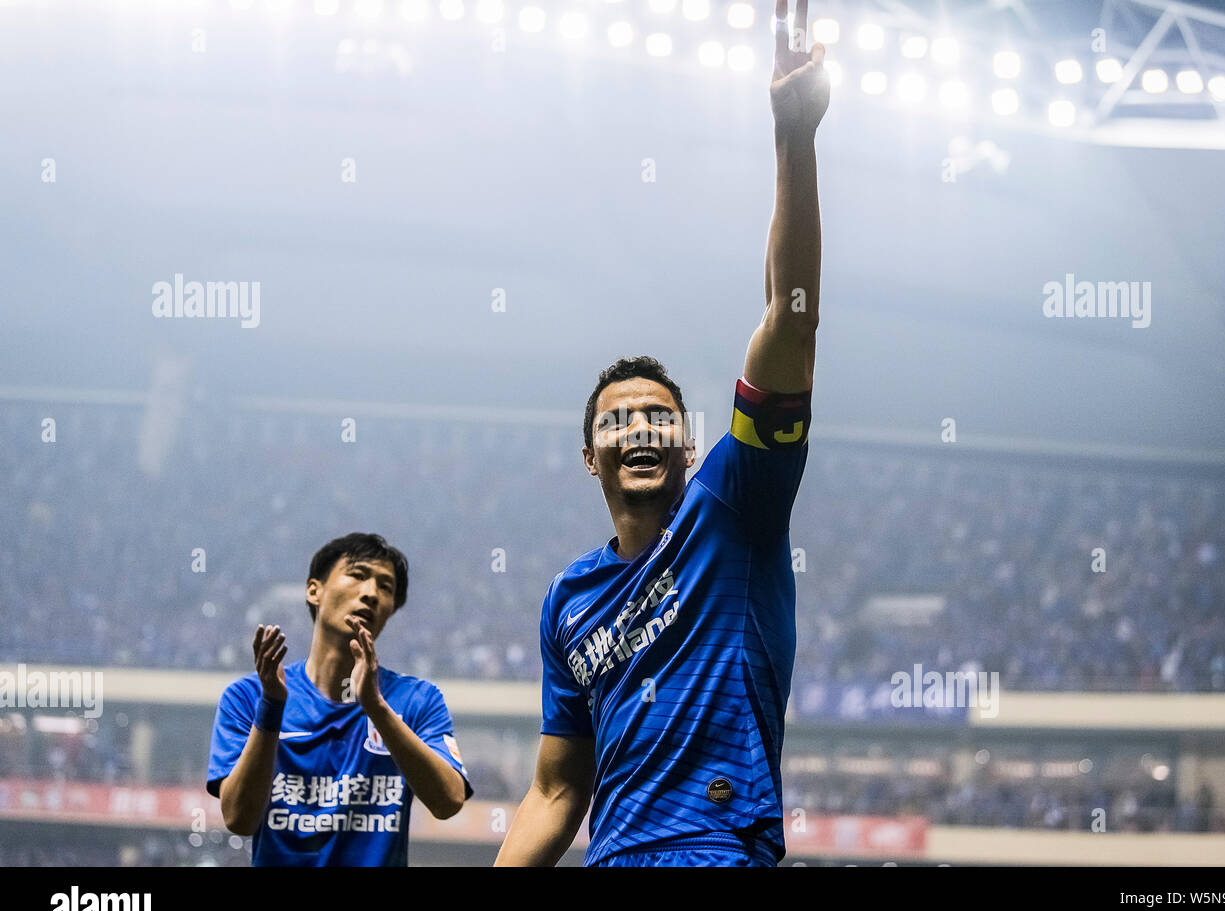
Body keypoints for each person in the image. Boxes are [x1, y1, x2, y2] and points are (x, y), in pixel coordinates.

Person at [495, 0, 828, 867]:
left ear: (689, 448)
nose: (638, 427)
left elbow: (788, 327)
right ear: (589, 458)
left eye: (659, 417)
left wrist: (794, 138)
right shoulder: (569, 600)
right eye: (617, 419)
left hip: (718, 847)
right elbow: (559, 788)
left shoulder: (733, 507)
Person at [207, 532, 471, 865]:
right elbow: (238, 819)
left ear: (391, 610)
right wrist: (272, 705)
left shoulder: (418, 700)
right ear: (314, 590)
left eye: (385, 587)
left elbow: (449, 801)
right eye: (358, 575)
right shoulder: (249, 697)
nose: (371, 593)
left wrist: (376, 708)